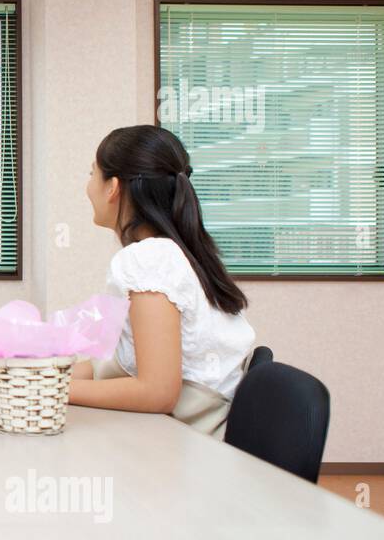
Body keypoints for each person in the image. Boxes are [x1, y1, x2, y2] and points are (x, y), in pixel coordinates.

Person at [69, 125, 256, 437]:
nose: (88, 187)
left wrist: (50, 389)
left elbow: (157, 392)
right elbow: (117, 365)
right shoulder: (175, 253)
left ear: (113, 187)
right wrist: (39, 375)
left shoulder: (150, 260)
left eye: (92, 174)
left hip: (193, 446)